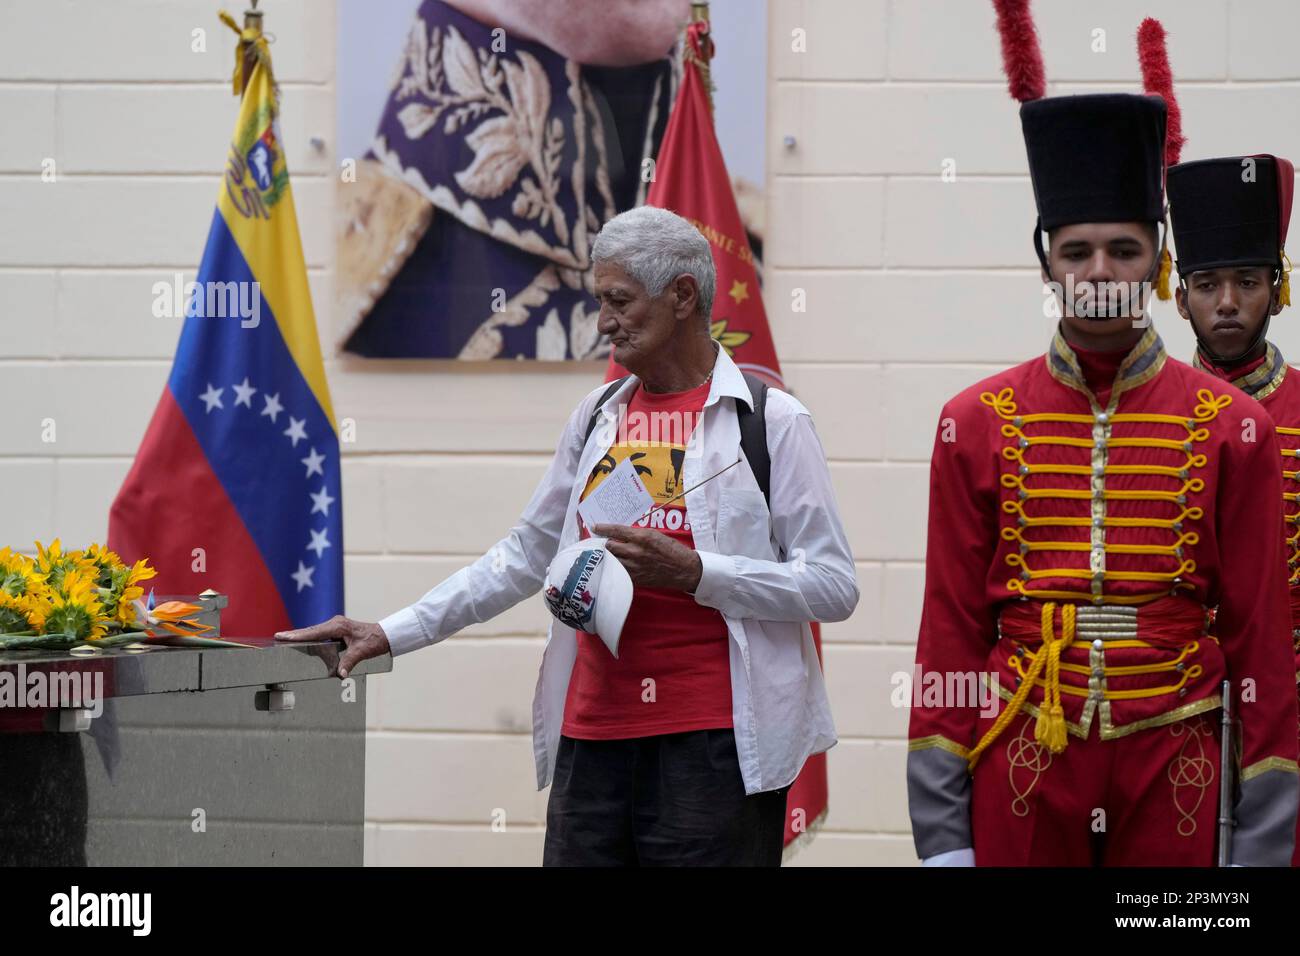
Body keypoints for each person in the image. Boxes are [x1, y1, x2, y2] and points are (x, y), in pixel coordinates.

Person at [279, 206, 859, 865]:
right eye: (598, 301)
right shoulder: (597, 418)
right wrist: (393, 631)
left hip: (714, 751)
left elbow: (834, 586)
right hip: (592, 744)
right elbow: (525, 555)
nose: (604, 323)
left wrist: (699, 574)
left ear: (682, 296)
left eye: (619, 301)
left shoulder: (770, 423)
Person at [906, 7, 1299, 866]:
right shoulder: (972, 422)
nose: (1098, 275)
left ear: (1158, 257)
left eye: (1123, 250)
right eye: (1076, 251)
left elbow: (1260, 637)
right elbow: (950, 631)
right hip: (1021, 748)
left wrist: (1264, 839)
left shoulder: (1235, 428)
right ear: (1044, 260)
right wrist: (941, 836)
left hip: (1177, 760)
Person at [1166, 152, 1300, 864]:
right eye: (1206, 283)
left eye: (1247, 282)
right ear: (1179, 294)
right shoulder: (1147, 416)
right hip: (1169, 714)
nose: (1225, 303)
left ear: (1277, 290)